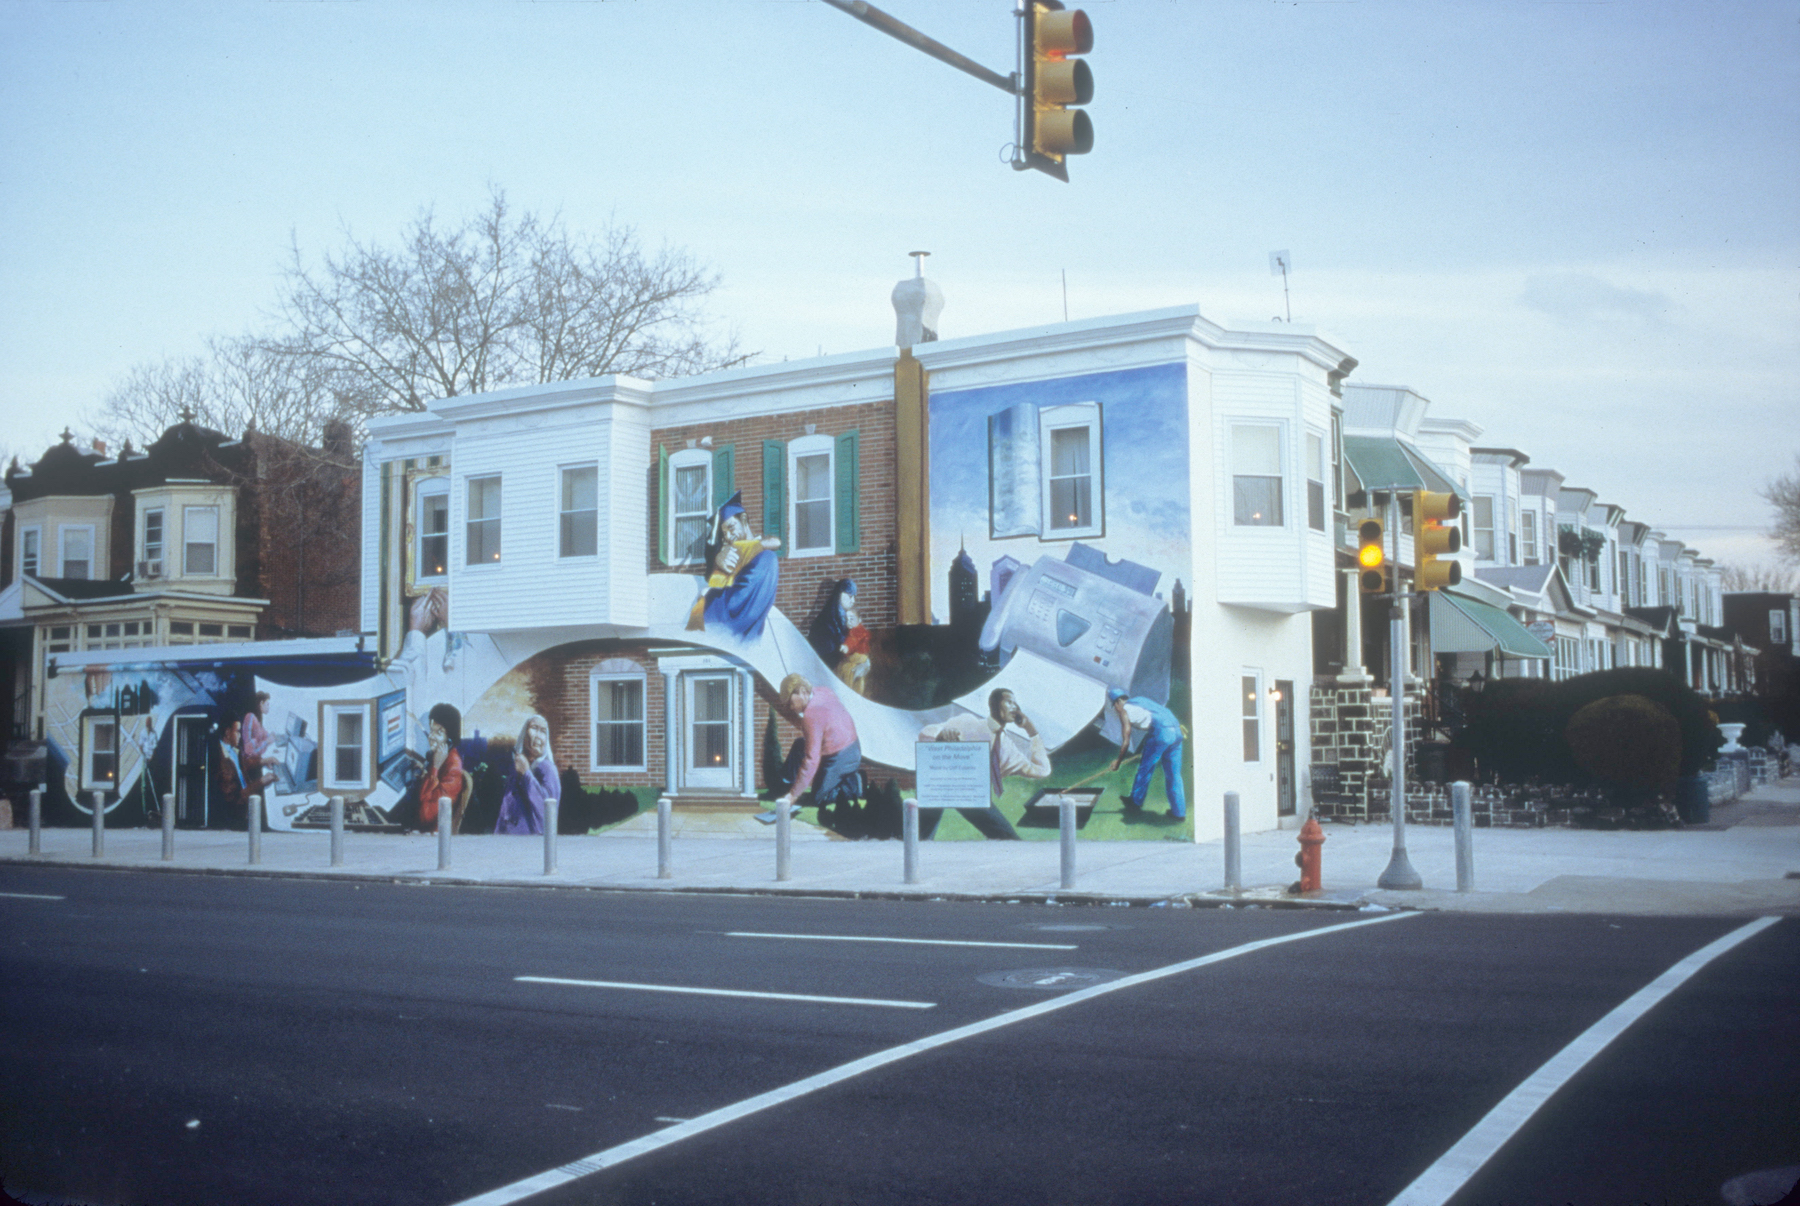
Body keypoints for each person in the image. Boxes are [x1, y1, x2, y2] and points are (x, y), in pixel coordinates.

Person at [914, 688, 1048, 841]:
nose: (1015, 707)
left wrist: (1031, 731)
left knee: (1010, 841)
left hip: (972, 794)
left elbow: (1042, 770)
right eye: (1009, 702)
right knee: (920, 840)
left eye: (1016, 704)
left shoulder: (1008, 749)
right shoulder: (968, 722)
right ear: (994, 704)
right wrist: (940, 734)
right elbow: (926, 733)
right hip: (940, 786)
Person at [687, 492, 781, 641]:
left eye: (731, 528)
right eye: (724, 534)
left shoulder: (763, 555)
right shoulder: (727, 551)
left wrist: (752, 547)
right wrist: (718, 560)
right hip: (720, 618)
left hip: (737, 625)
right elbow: (713, 577)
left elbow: (775, 542)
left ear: (743, 520)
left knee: (768, 558)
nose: (729, 537)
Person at [770, 674, 861, 820]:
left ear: (801, 691)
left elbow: (812, 760)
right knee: (799, 744)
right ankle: (786, 783)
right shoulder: (823, 691)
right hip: (849, 746)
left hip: (842, 756)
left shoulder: (811, 715)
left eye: (791, 703)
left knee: (819, 798)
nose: (792, 708)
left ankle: (853, 784)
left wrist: (793, 795)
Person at [1107, 687, 1187, 820]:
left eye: (1114, 705)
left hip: (1161, 733)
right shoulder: (1141, 700)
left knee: (1145, 768)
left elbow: (1126, 741)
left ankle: (1135, 802)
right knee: (1174, 774)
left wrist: (1118, 762)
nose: (1116, 709)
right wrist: (1175, 729)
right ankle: (1179, 813)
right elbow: (1162, 712)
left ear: (1118, 701)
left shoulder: (1124, 711)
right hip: (1177, 730)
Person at [495, 714, 559, 835]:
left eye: (543, 731)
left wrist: (526, 775)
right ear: (524, 735)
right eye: (534, 728)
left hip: (533, 841)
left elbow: (547, 810)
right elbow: (505, 810)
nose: (539, 735)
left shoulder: (548, 769)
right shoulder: (516, 768)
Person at [807, 578, 872, 695]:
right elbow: (827, 654)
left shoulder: (849, 617)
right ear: (839, 594)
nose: (853, 600)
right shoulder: (824, 622)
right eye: (849, 595)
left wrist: (864, 661)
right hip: (828, 673)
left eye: (854, 597)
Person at [215, 718, 275, 830]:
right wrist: (261, 782)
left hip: (247, 800)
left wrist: (263, 761)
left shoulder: (232, 749)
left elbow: (243, 764)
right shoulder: (220, 761)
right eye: (237, 731)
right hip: (238, 815)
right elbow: (235, 798)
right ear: (228, 733)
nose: (240, 736)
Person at [416, 703, 466, 834]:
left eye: (439, 732)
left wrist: (435, 768)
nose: (431, 736)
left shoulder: (452, 769)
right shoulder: (442, 757)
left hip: (433, 833)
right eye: (431, 730)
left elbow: (425, 816)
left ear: (449, 739)